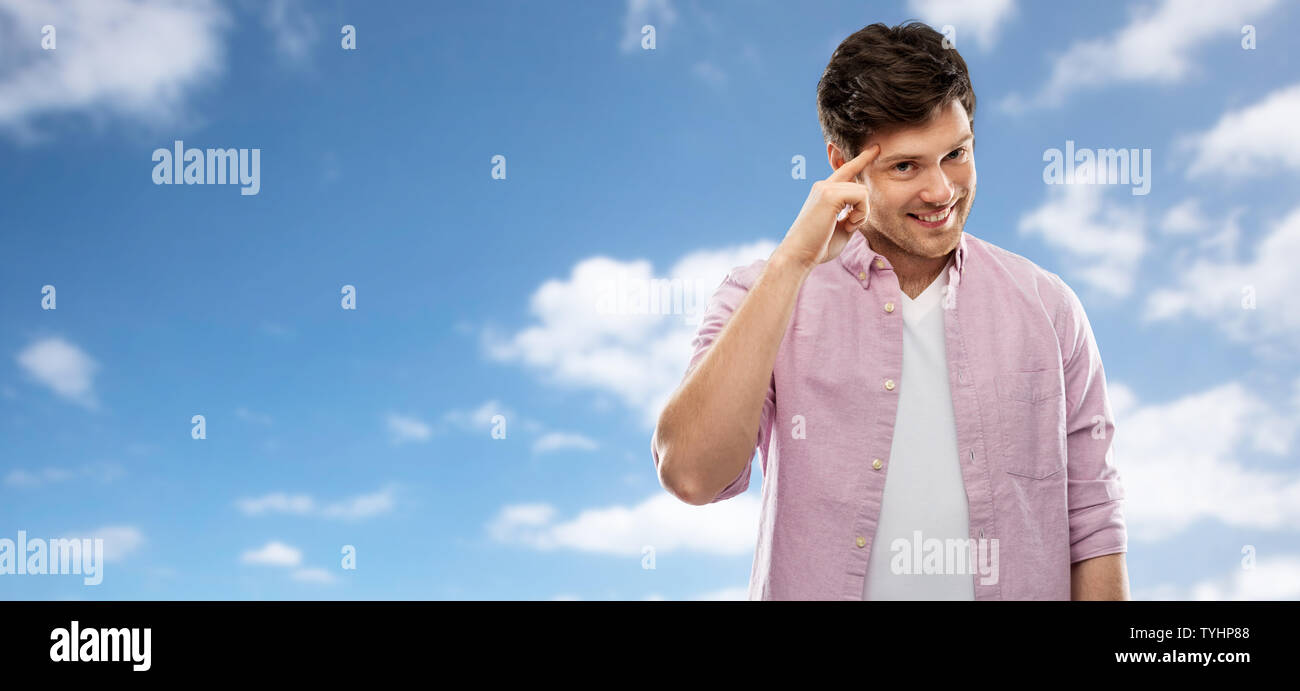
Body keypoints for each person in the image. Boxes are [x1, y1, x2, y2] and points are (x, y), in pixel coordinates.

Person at [650, 21, 1129, 601]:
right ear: (840, 163)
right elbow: (692, 475)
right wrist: (791, 265)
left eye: (955, 154)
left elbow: (1093, 525)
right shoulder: (762, 292)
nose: (941, 192)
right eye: (905, 167)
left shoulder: (1048, 308)